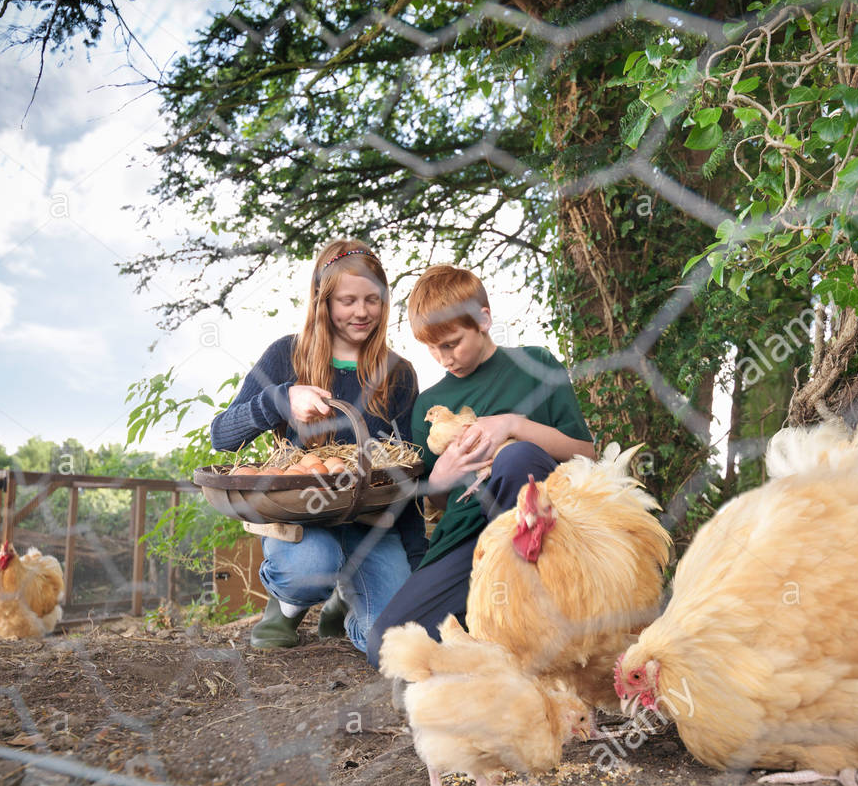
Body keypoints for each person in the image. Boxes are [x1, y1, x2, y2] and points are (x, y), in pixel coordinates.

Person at [365, 264, 594, 670]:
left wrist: (514, 425)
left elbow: (584, 455)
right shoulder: (428, 404)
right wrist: (441, 477)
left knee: (515, 458)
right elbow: (437, 502)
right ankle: (495, 629)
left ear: (484, 320)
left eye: (452, 343)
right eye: (432, 349)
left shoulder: (535, 364)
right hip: (470, 540)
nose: (443, 358)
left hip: (537, 530)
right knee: (386, 645)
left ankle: (523, 613)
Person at [210, 240, 425, 652]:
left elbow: (408, 476)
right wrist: (280, 400)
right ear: (322, 300)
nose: (361, 312)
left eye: (372, 300)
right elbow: (222, 436)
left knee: (393, 643)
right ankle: (288, 605)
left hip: (371, 526)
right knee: (311, 565)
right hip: (302, 521)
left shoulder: (397, 373)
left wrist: (415, 562)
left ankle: (345, 604)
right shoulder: (286, 355)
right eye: (347, 300)